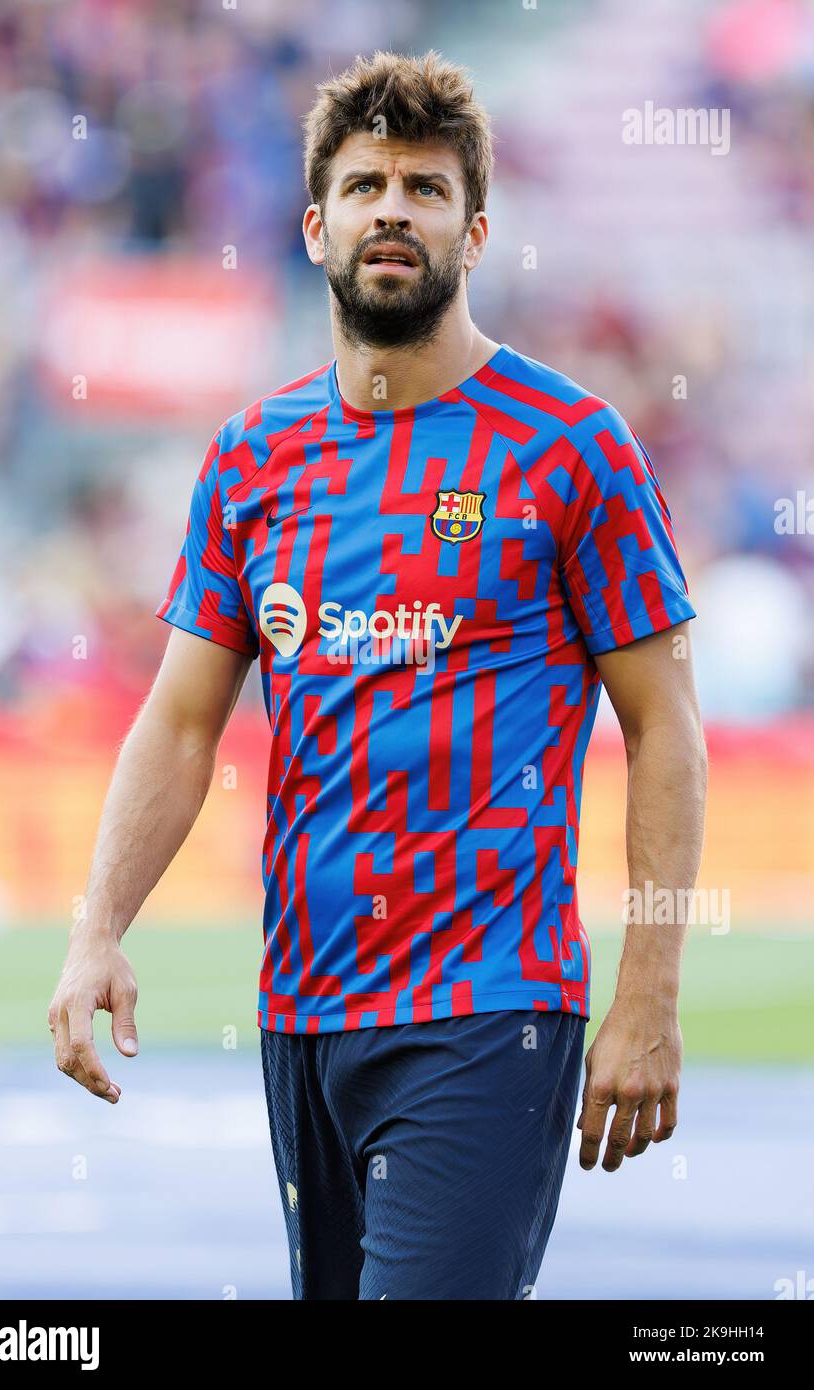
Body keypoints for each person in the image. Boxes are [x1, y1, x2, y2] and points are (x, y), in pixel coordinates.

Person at [48, 49, 707, 1300]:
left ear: (475, 228)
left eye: (423, 187)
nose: (391, 209)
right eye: (363, 186)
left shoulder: (573, 447)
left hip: (487, 1008)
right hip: (303, 1005)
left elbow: (663, 723)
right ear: (313, 226)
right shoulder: (254, 454)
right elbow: (182, 722)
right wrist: (96, 930)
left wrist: (650, 992)